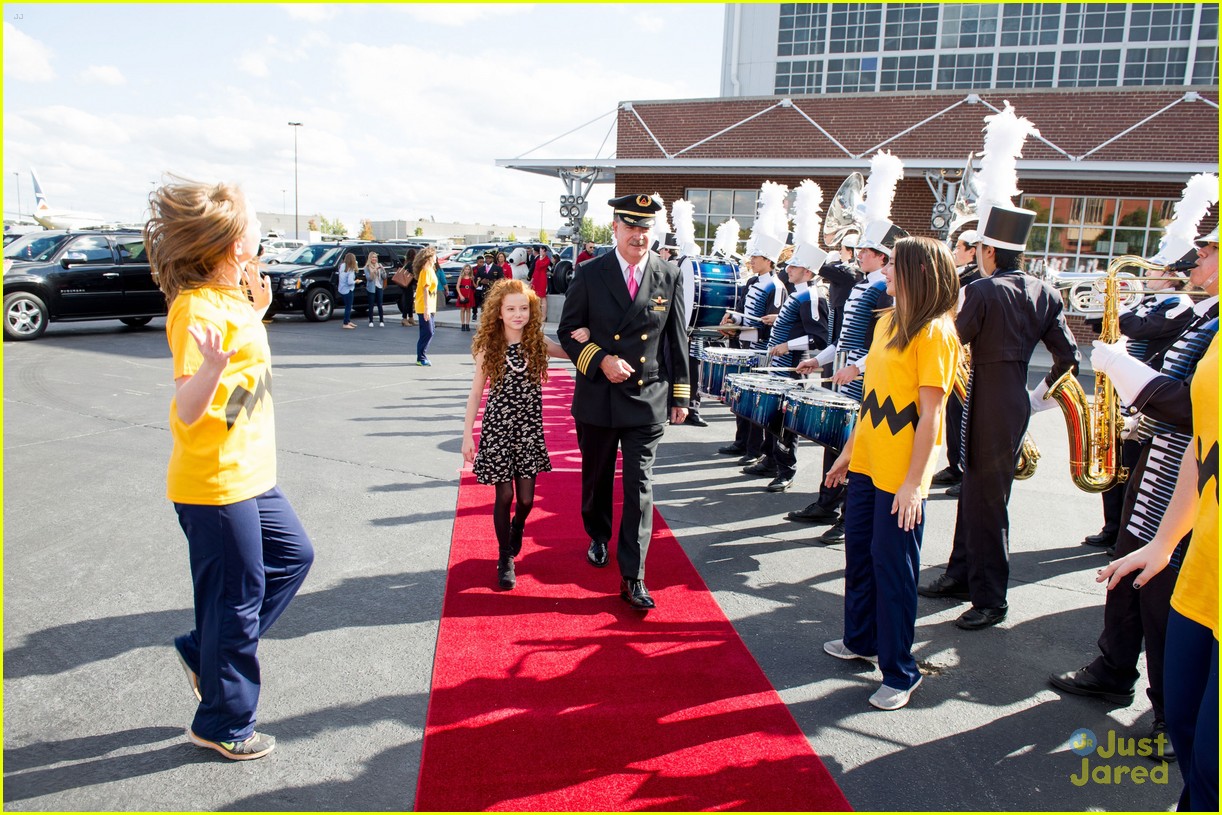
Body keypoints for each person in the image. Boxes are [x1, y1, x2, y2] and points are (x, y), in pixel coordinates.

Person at [146, 177, 313, 760]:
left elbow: (241, 365)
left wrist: (258, 312)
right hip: (216, 480)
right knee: (237, 601)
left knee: (294, 557)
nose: (258, 226)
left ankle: (205, 652)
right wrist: (211, 367)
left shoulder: (232, 299)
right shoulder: (192, 307)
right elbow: (189, 409)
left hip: (253, 475)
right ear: (227, 241)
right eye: (251, 219)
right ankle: (222, 720)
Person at [1048, 228, 1218, 756]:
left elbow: (1190, 407)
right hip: (1161, 464)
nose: (1198, 259)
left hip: (1189, 483)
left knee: (1165, 601)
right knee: (1125, 575)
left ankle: (1169, 712)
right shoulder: (1206, 316)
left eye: (1209, 251)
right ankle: (1112, 668)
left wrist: (1118, 366)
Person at [919, 204, 1080, 630]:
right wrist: (1036, 399)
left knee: (988, 501)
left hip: (986, 395)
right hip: (1013, 397)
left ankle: (991, 599)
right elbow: (1068, 358)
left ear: (988, 251)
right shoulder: (1047, 291)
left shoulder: (985, 291)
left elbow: (954, 341)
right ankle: (959, 574)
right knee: (976, 490)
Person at [822, 236, 961, 711]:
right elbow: (871, 401)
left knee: (893, 566)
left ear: (919, 272)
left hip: (901, 473)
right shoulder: (887, 322)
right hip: (867, 463)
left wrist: (913, 484)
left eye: (894, 265)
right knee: (860, 553)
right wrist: (847, 453)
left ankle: (901, 671)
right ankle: (860, 639)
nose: (884, 272)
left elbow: (931, 416)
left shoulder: (937, 332)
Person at [1097, 326, 1217, 811]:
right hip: (1201, 577)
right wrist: (1164, 541)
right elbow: (1203, 438)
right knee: (1187, 732)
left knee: (1212, 764)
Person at [558, 193, 690, 611]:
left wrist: (682, 393)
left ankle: (633, 577)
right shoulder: (590, 273)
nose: (638, 235)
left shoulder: (668, 274)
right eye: (631, 227)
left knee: (638, 487)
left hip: (646, 397)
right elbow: (567, 330)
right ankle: (598, 535)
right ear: (615, 228)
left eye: (645, 228)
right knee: (597, 478)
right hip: (598, 395)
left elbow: (676, 338)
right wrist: (600, 359)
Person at [462, 279, 582, 589]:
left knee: (526, 501)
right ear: (499, 313)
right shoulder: (490, 346)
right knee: (505, 495)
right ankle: (505, 558)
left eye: (523, 308)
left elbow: (571, 354)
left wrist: (586, 334)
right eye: (511, 309)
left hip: (528, 429)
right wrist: (467, 436)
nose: (518, 314)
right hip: (498, 429)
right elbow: (475, 394)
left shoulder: (537, 343)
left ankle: (517, 528)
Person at [931, 229, 980, 491]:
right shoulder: (962, 275)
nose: (955, 251)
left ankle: (965, 472)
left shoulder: (976, 277)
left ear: (973, 250)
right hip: (955, 351)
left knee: (966, 415)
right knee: (953, 412)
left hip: (968, 354)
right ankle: (954, 465)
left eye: (959, 246)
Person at [414, 245, 439, 366]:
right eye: (434, 255)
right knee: (427, 331)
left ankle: (422, 355)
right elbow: (425, 289)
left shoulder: (431, 270)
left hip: (430, 305)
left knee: (431, 331)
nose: (436, 257)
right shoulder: (426, 270)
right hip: (424, 305)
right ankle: (421, 357)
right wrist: (426, 308)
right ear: (429, 257)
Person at [365, 251, 386, 327]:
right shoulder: (367, 267)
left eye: (375, 257)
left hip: (379, 286)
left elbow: (384, 277)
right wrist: (373, 271)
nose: (374, 259)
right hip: (371, 288)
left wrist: (383, 270)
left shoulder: (379, 265)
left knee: (380, 304)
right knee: (371, 305)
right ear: (370, 258)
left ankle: (381, 320)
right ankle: (371, 321)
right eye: (373, 257)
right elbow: (369, 278)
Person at [338, 251, 359, 329]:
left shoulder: (342, 266)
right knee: (348, 307)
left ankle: (348, 320)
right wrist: (356, 281)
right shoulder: (351, 270)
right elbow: (350, 282)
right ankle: (345, 323)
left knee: (347, 306)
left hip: (342, 289)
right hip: (348, 290)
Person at [531, 246, 550, 323]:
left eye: (542, 251)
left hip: (542, 278)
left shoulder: (547, 260)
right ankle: (536, 315)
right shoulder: (539, 259)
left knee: (542, 296)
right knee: (535, 296)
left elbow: (540, 266)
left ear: (545, 251)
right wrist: (532, 279)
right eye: (540, 251)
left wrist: (541, 258)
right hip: (536, 277)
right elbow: (536, 269)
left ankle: (544, 316)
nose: (541, 252)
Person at [455, 264, 476, 332]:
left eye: (468, 269)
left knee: (468, 310)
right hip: (462, 293)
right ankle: (462, 324)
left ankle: (467, 324)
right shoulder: (461, 276)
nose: (467, 270)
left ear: (470, 270)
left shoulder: (471, 277)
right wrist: (460, 295)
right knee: (462, 309)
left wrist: (474, 280)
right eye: (466, 269)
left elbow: (475, 286)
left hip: (469, 294)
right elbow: (457, 286)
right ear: (463, 270)